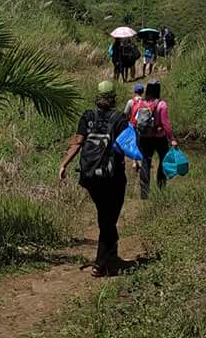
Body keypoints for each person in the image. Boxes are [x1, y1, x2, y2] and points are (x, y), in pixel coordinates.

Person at [59, 80, 128, 276]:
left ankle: (111, 252)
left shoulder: (88, 116)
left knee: (104, 214)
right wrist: (138, 160)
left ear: (97, 97)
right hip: (113, 177)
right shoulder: (119, 118)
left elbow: (77, 143)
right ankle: (100, 264)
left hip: (90, 177)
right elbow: (127, 145)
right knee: (109, 218)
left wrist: (64, 164)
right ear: (114, 98)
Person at [128, 78, 177, 199]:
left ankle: (144, 194)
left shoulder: (141, 103)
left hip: (144, 138)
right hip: (160, 138)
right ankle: (161, 188)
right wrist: (172, 138)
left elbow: (135, 121)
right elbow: (166, 124)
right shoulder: (161, 104)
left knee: (145, 163)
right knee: (163, 161)